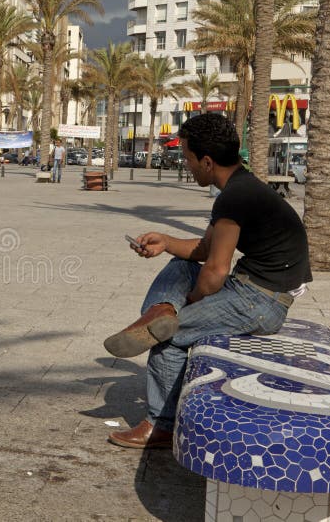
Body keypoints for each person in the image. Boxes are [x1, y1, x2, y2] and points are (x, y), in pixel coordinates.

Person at [103, 114, 312, 449]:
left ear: (207, 161)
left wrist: (195, 301)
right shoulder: (241, 187)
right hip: (256, 292)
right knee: (179, 265)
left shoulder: (235, 197)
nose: (186, 165)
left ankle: (161, 424)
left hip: (260, 303)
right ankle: (159, 313)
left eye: (187, 158)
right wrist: (166, 241)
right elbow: (202, 250)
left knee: (168, 338)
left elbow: (215, 271)